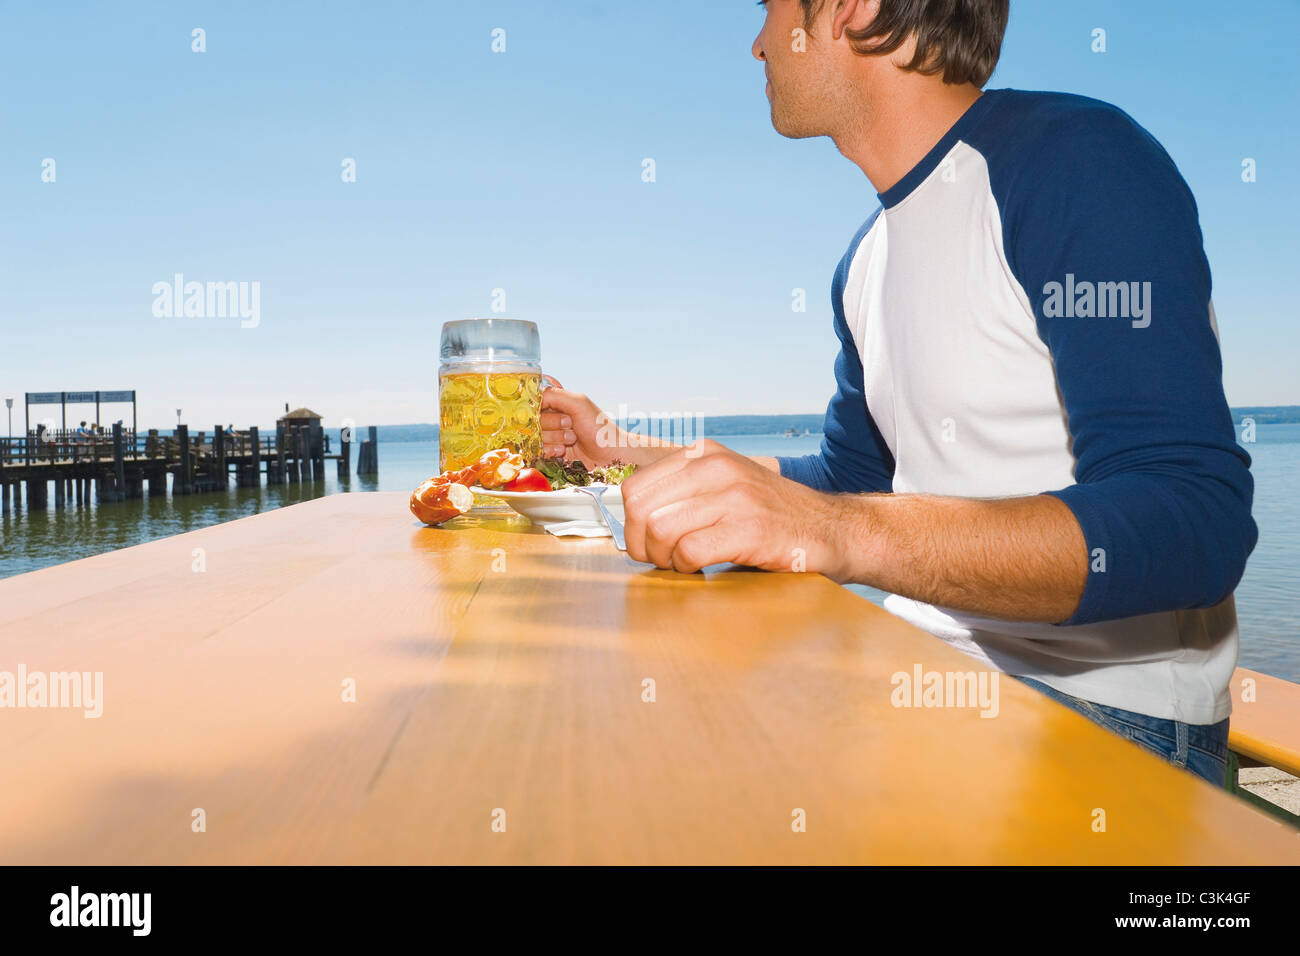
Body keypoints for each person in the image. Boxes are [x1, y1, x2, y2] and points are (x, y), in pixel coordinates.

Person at [540, 0, 1253, 787]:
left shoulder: (1078, 160)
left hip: (1103, 713)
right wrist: (621, 451)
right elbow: (849, 484)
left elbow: (1194, 521)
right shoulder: (865, 260)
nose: (758, 45)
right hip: (917, 668)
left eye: (769, 9)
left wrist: (840, 531)